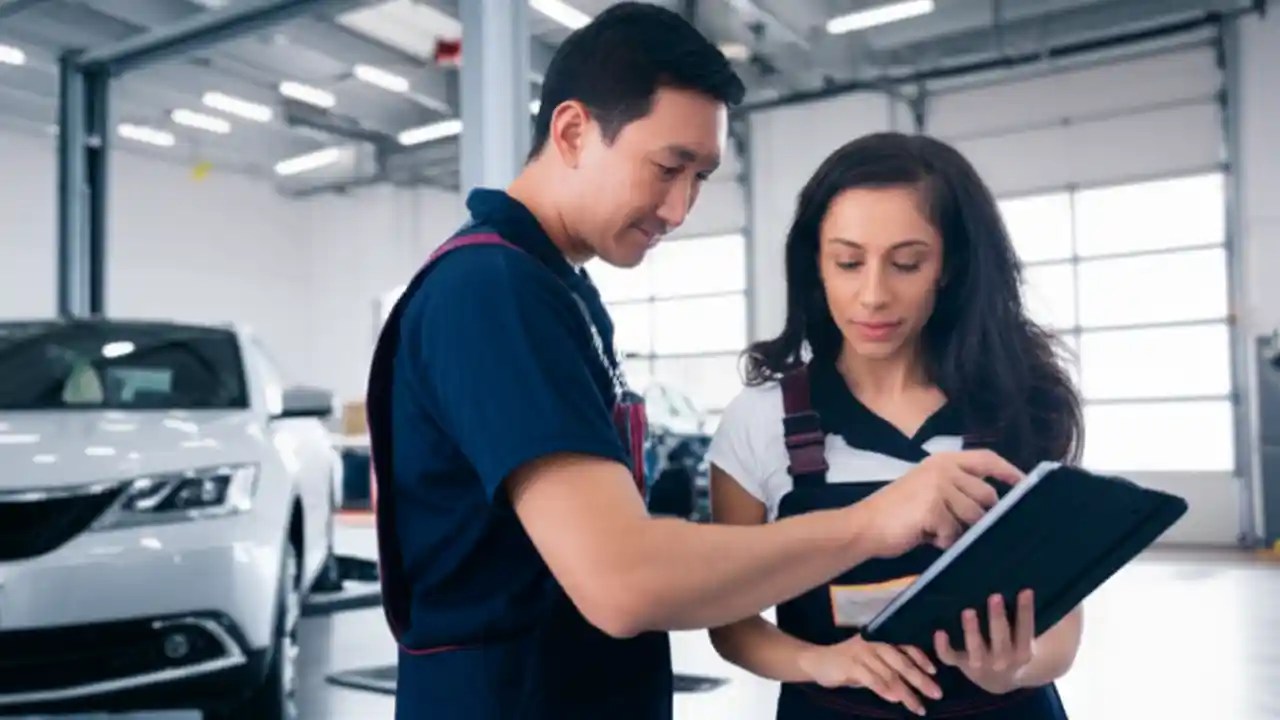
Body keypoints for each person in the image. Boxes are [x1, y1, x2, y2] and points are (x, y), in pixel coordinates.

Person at [366, 6, 1027, 719]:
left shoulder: (557, 291)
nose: (680, 208)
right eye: (668, 167)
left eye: (702, 176)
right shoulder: (493, 293)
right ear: (572, 132)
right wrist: (875, 521)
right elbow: (623, 580)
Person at [705, 132, 1087, 719]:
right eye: (848, 262)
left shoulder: (1023, 405)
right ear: (815, 264)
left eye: (907, 263)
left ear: (950, 266)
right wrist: (819, 661)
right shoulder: (762, 420)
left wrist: (1013, 667)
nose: (874, 295)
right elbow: (730, 621)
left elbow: (1060, 633)